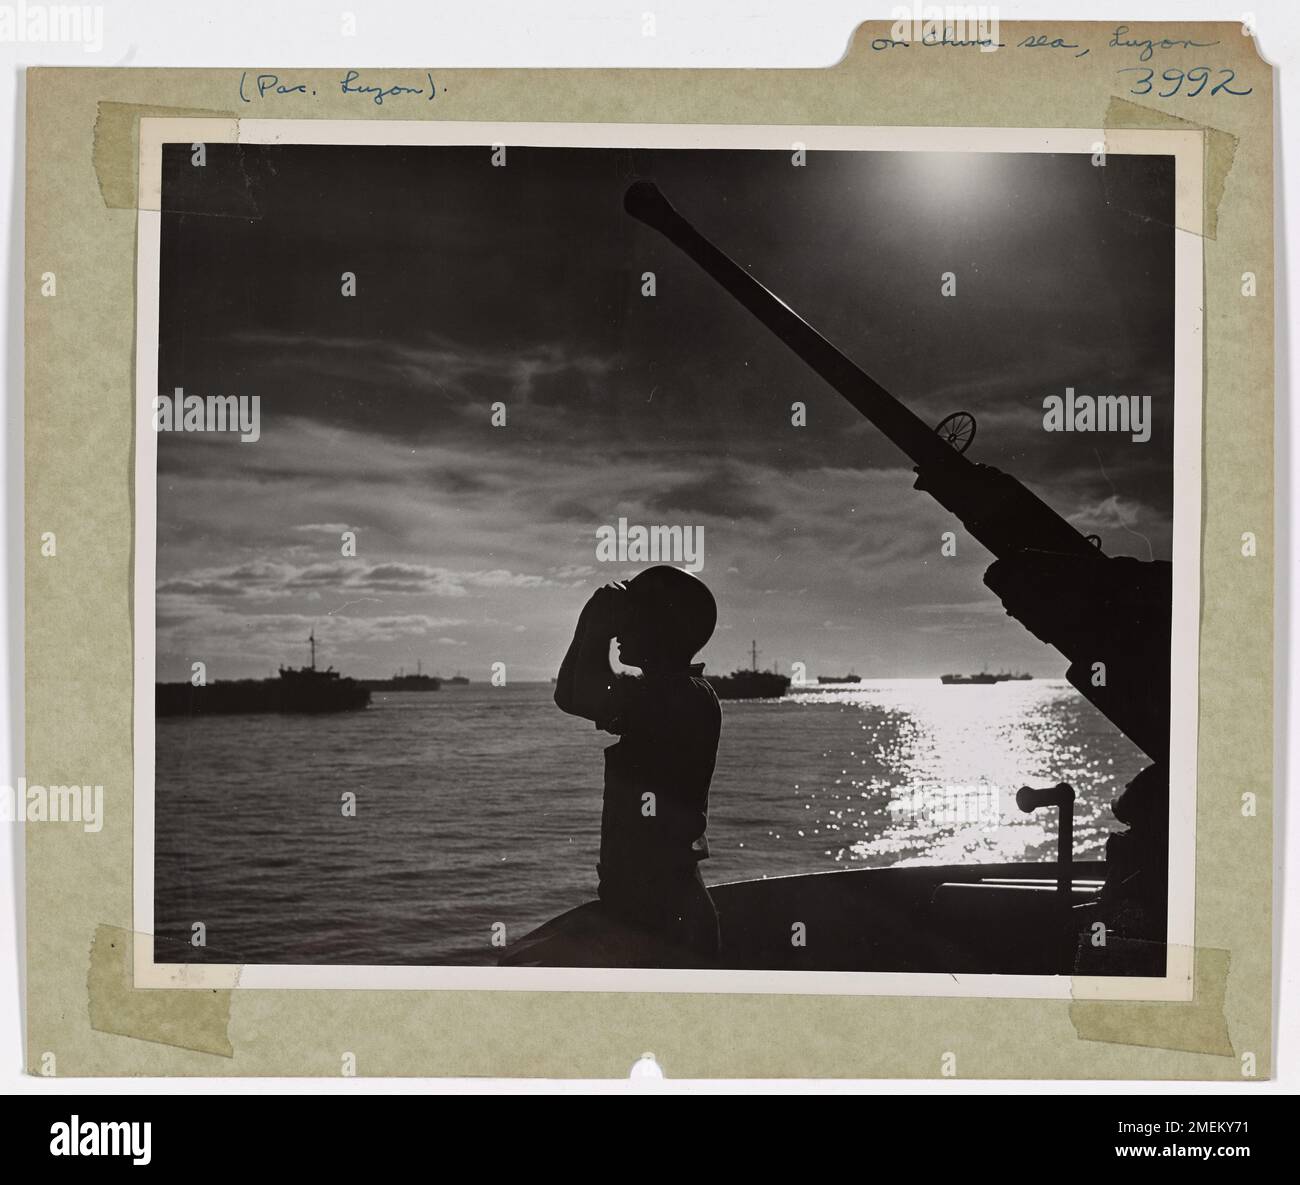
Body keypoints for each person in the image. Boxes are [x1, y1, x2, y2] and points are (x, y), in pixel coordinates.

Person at [551, 565, 722, 965]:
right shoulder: (679, 693)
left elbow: (578, 694)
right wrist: (591, 627)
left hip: (662, 917)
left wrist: (592, 628)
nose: (621, 629)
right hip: (652, 908)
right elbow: (572, 695)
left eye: (633, 617)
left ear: (660, 627)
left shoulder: (676, 697)